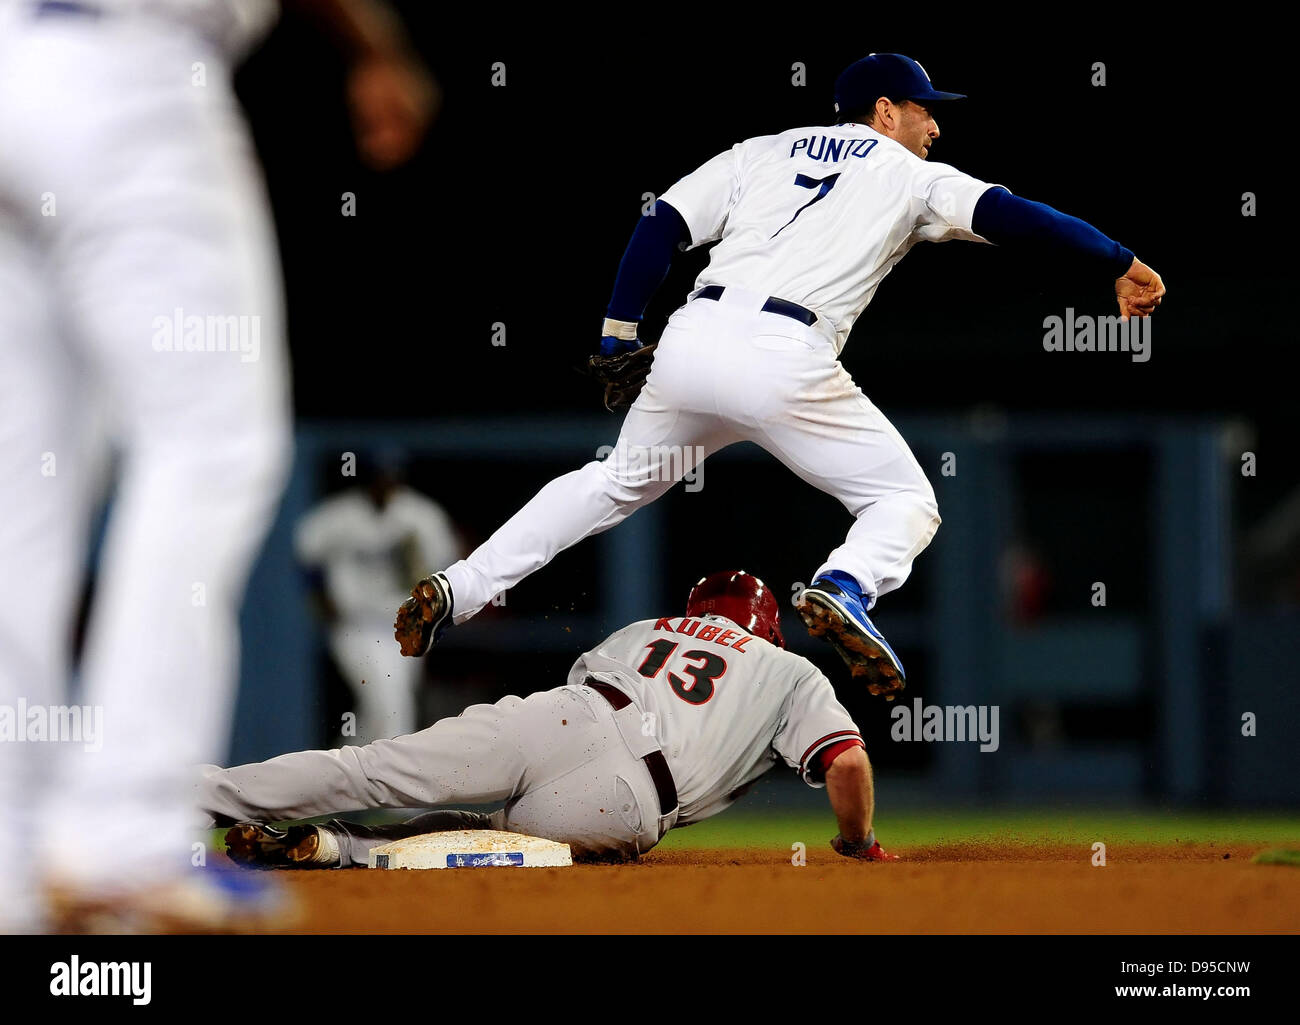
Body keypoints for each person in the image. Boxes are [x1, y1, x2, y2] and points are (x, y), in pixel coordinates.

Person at [392, 52, 1165, 699]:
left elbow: (661, 221)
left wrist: (618, 331)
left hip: (692, 338)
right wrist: (1119, 259)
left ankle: (458, 587)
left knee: (612, 482)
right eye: (925, 108)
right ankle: (845, 584)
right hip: (785, 352)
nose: (937, 123)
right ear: (886, 110)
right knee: (903, 498)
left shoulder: (759, 150)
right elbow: (1014, 214)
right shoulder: (909, 172)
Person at [0, 0, 436, 933]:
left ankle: (15, 851)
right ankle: (124, 830)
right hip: (129, 67)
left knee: (26, 486)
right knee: (211, 443)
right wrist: (376, 47)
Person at [202, 571, 897, 867]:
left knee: (372, 766)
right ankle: (335, 849)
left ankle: (200, 790)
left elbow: (588, 684)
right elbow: (847, 762)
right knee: (489, 843)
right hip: (627, 797)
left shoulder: (651, 626)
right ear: (766, 628)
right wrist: (855, 842)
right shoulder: (787, 669)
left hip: (568, 713)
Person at [296, 457, 461, 743]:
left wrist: (422, 578)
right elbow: (307, 553)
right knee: (391, 703)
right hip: (355, 625)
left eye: (391, 476)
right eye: (379, 476)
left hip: (404, 625)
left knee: (381, 706)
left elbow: (445, 567)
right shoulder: (340, 515)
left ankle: (342, 774)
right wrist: (322, 599)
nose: (385, 483)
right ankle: (392, 779)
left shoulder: (420, 516)